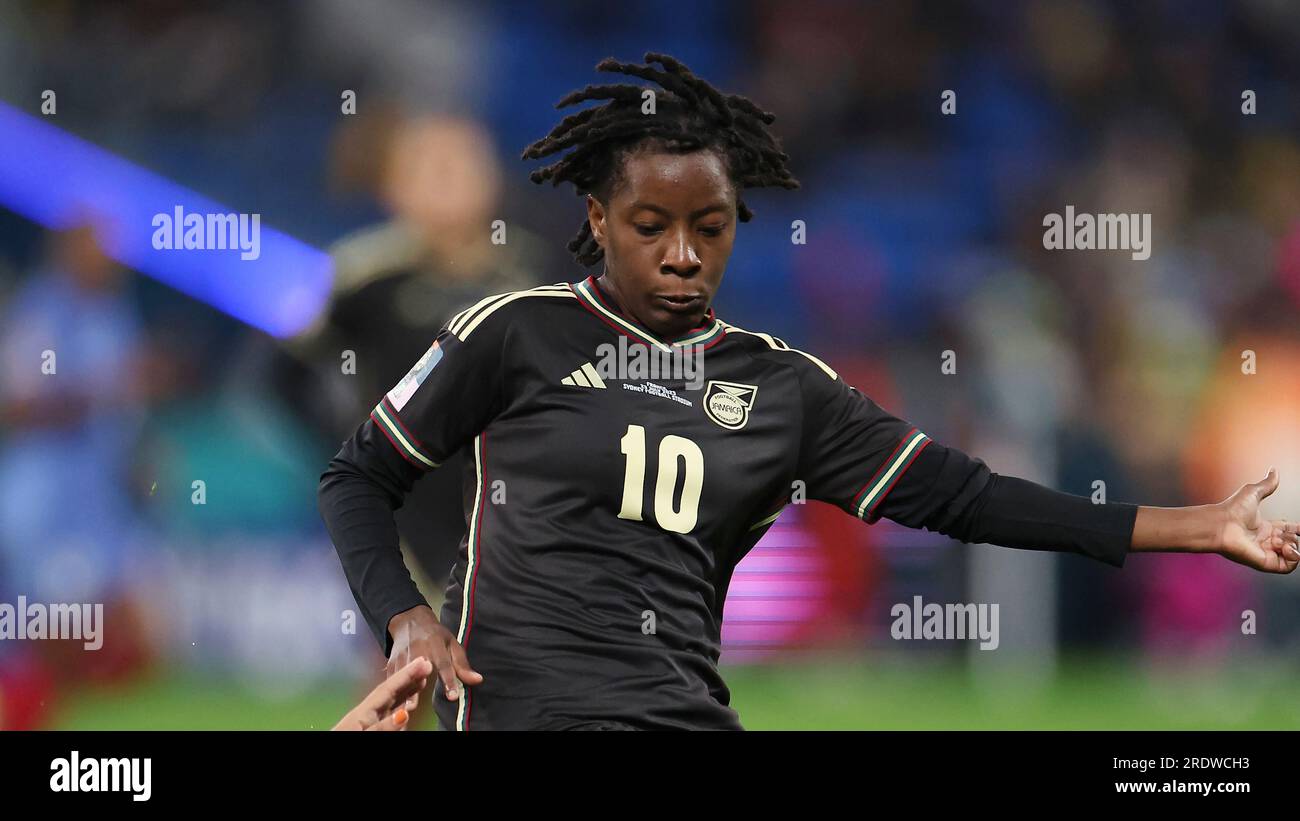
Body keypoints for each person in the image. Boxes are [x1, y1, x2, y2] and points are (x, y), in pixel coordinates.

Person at [318, 53, 1300, 731]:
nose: (680, 254)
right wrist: (403, 613)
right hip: (513, 711)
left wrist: (1193, 524)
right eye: (650, 222)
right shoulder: (516, 331)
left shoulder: (781, 386)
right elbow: (358, 476)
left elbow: (963, 494)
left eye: (707, 225)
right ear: (596, 218)